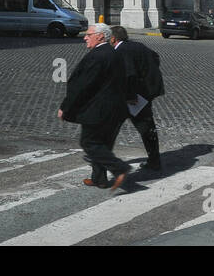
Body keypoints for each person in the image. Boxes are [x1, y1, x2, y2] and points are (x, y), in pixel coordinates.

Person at [58, 22, 130, 190]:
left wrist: (65, 107)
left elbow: (82, 85)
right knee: (102, 144)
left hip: (97, 110)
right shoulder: (114, 53)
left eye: (88, 35)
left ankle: (120, 168)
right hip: (115, 109)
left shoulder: (97, 55)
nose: (85, 37)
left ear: (99, 36)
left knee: (89, 143)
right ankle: (99, 179)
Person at [110, 25, 164, 172]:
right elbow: (155, 57)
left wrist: (130, 96)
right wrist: (147, 75)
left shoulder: (121, 50)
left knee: (111, 128)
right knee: (147, 127)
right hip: (145, 93)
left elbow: (130, 74)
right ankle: (154, 160)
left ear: (113, 38)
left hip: (133, 98)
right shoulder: (137, 45)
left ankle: (102, 160)